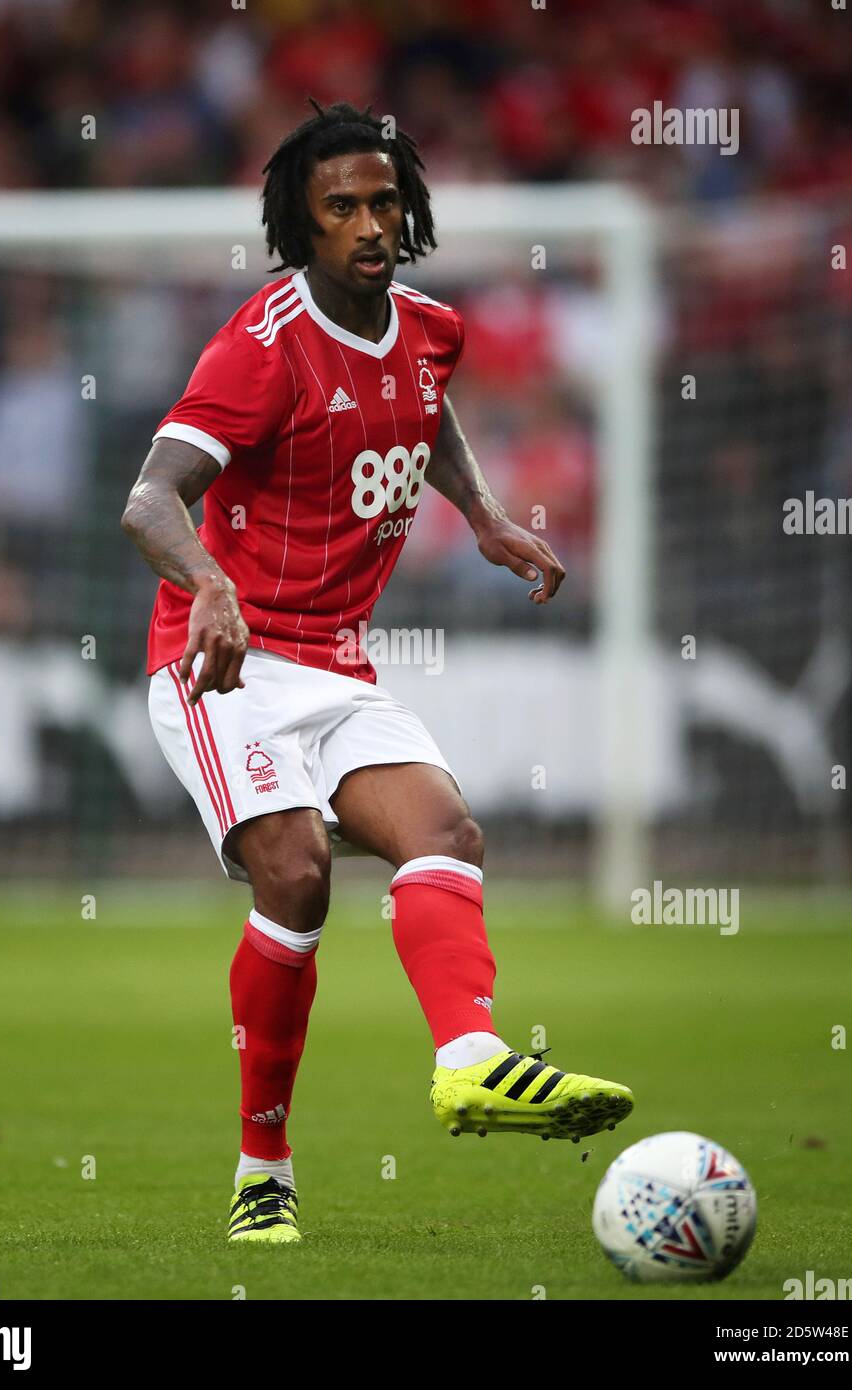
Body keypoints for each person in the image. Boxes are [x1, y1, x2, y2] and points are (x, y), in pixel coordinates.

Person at [121, 101, 633, 1244]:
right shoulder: (257, 350)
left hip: (340, 661)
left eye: (383, 202)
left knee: (446, 834)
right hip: (222, 663)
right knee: (297, 876)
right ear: (300, 225)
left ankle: (470, 1061)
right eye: (340, 206)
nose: (367, 224)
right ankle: (264, 1171)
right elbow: (148, 498)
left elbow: (424, 407)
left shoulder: (431, 326)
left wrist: (487, 516)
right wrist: (207, 581)